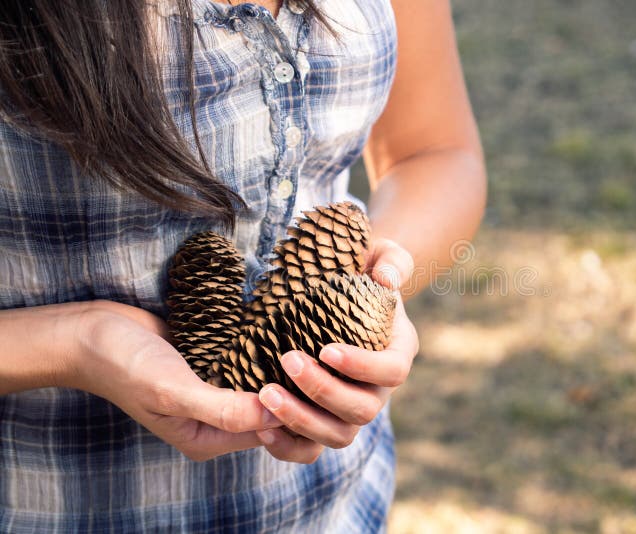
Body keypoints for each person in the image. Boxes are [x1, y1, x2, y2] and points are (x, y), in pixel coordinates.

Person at [0, 0, 485, 531]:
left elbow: (433, 151)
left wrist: (372, 292)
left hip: (332, 508)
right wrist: (76, 343)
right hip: (54, 505)